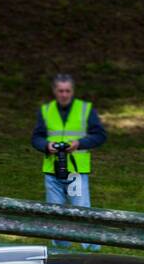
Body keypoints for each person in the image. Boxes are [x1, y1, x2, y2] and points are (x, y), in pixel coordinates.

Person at [31, 73, 107, 251]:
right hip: (52, 170)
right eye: (60, 91)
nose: (64, 94)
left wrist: (79, 144)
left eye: (67, 91)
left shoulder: (85, 109)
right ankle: (60, 250)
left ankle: (91, 249)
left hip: (76, 170)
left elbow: (100, 136)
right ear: (54, 91)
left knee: (81, 211)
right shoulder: (46, 110)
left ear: (72, 91)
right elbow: (36, 138)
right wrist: (47, 146)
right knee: (55, 212)